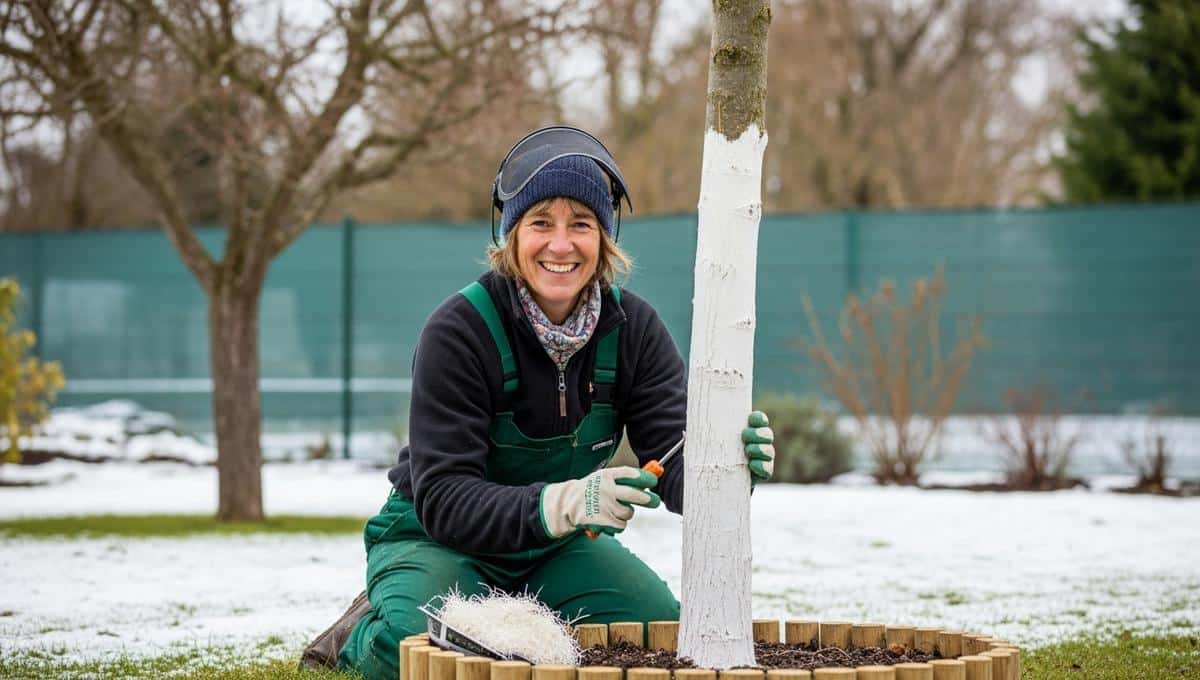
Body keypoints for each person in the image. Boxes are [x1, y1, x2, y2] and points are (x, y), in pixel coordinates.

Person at [300, 126, 775, 678]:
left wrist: (730, 469)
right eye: (540, 223)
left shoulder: (634, 330)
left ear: (605, 237)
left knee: (654, 631)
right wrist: (567, 504)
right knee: (424, 652)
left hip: (549, 552)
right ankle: (357, 634)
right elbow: (446, 499)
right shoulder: (460, 330)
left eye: (581, 224)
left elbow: (674, 463)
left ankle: (510, 612)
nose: (560, 244)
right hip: (437, 539)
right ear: (510, 234)